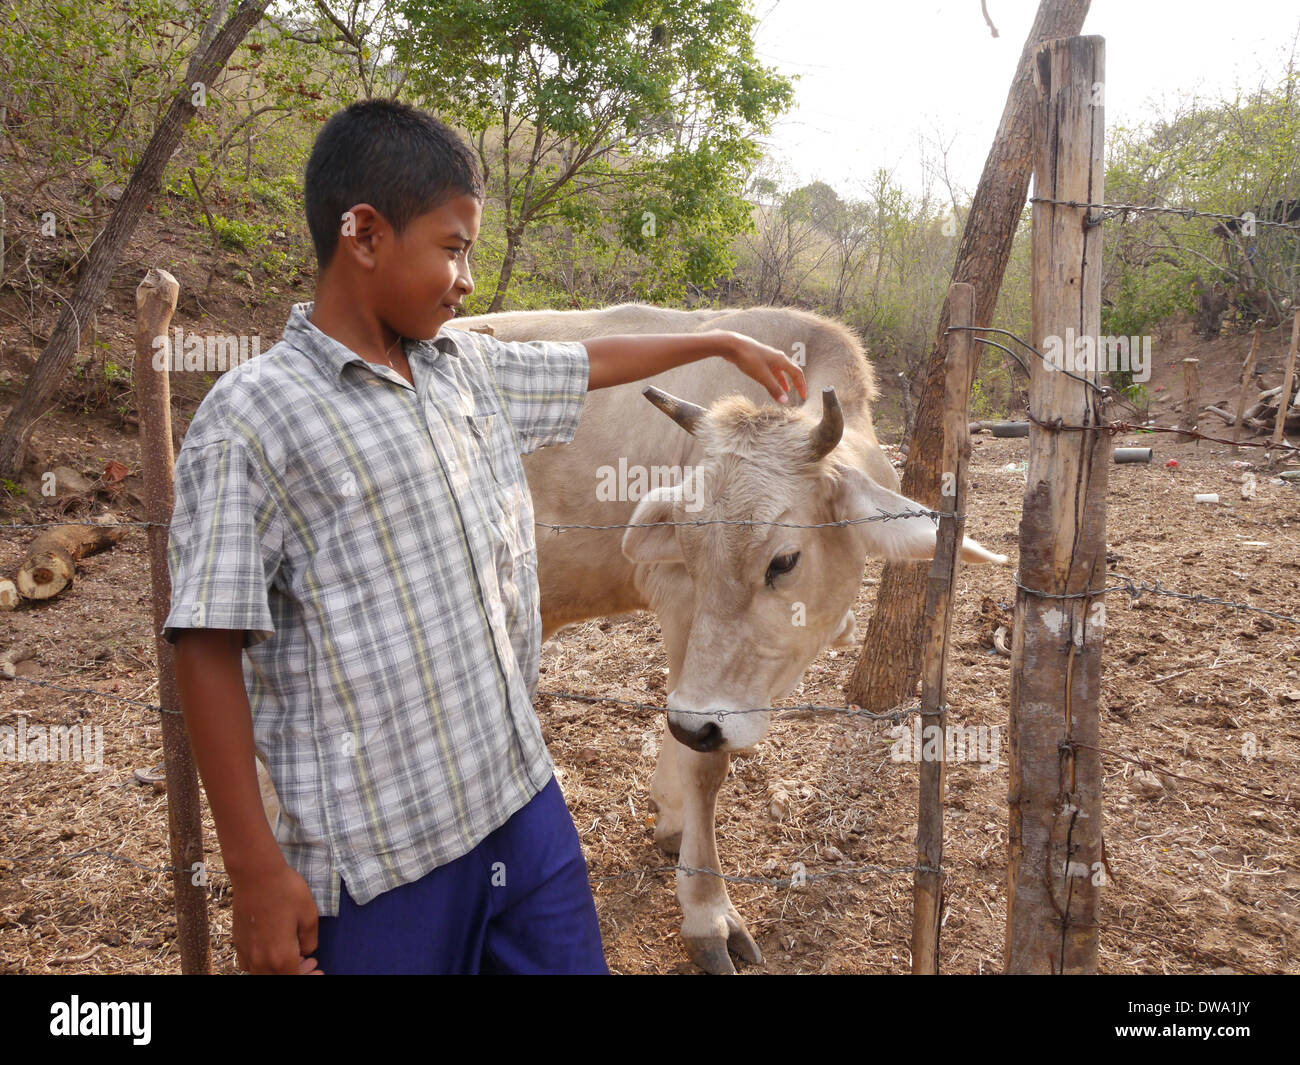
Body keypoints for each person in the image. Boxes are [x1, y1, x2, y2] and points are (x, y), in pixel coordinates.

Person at [163, 99, 806, 975]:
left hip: (518, 799)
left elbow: (592, 361)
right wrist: (253, 870)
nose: (467, 278)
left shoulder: (464, 368)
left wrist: (721, 341)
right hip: (379, 856)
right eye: (453, 247)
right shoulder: (252, 418)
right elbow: (206, 644)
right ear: (363, 234)